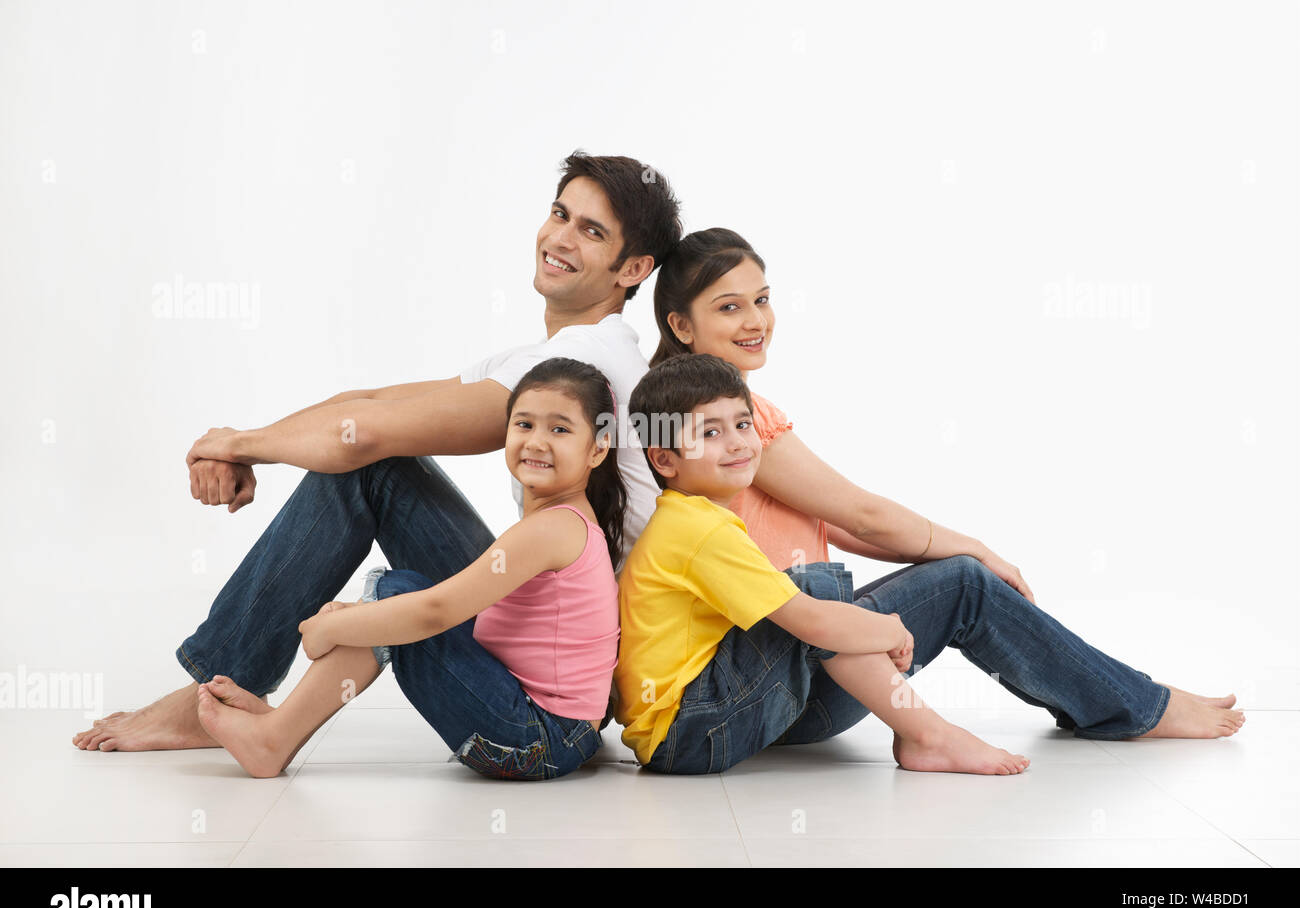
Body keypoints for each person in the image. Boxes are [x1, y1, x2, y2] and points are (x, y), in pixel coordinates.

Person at [73, 151, 681, 752]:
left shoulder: (582, 362)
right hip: (548, 636)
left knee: (370, 468)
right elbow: (369, 402)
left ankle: (214, 692)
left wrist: (237, 445)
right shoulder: (560, 351)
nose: (561, 237)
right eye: (560, 214)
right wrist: (244, 446)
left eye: (592, 231)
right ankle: (225, 689)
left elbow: (363, 434)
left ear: (632, 269)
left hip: (573, 677)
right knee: (377, 462)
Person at [642, 227, 1244, 746]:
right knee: (966, 586)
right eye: (729, 308)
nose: (755, 321)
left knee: (959, 579)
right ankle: (1138, 707)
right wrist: (975, 550)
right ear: (680, 324)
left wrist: (953, 552)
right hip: (779, 681)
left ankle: (1120, 699)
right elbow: (864, 514)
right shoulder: (719, 420)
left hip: (783, 672)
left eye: (762, 300)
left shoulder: (681, 409)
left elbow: (842, 525)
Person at [195, 359, 622, 780]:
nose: (536, 442)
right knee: (389, 605)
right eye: (524, 425)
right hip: (557, 736)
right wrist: (357, 618)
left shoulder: (553, 528)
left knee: (397, 595)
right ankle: (282, 722)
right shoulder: (561, 522)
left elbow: (436, 611)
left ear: (598, 448)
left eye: (560, 429)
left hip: (537, 741)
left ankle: (273, 739)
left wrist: (332, 628)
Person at [617, 353, 1031, 774]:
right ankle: (930, 736)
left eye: (743, 424)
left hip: (693, 726)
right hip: (688, 732)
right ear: (664, 459)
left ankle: (923, 734)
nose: (738, 442)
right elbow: (811, 622)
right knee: (811, 590)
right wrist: (888, 628)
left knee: (810, 595)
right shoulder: (698, 530)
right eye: (710, 432)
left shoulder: (692, 519)